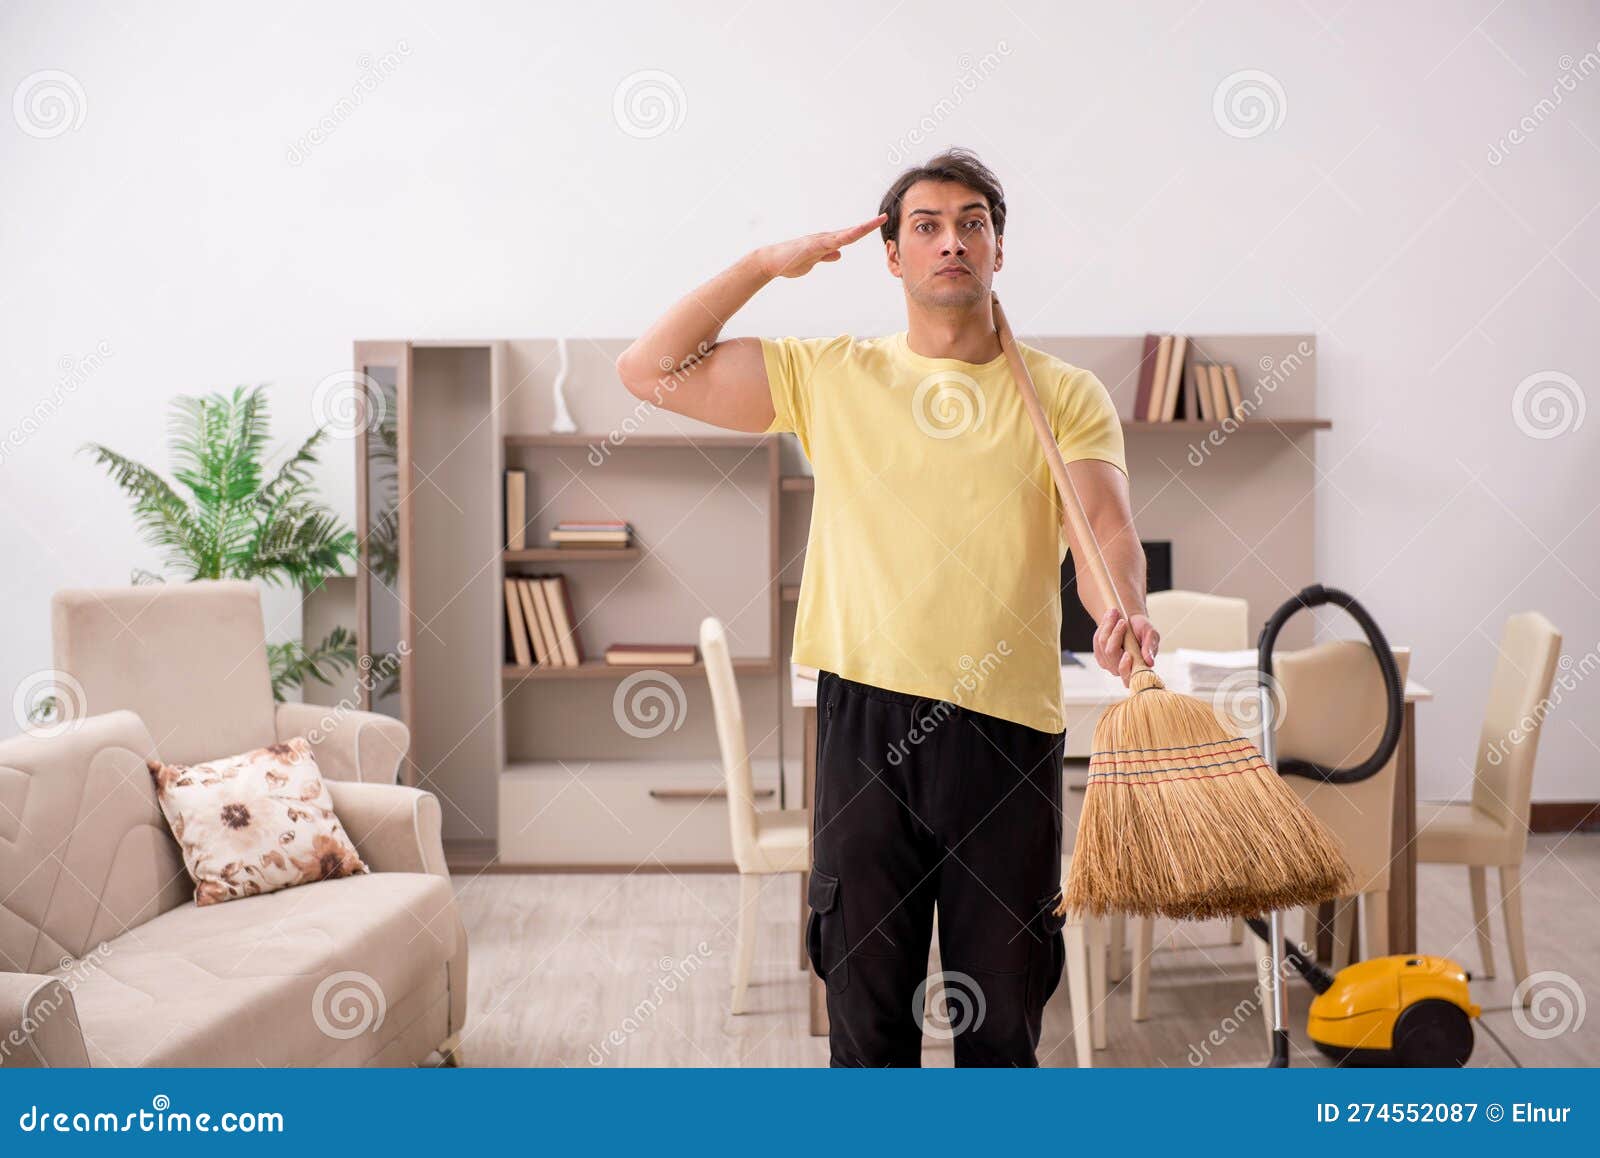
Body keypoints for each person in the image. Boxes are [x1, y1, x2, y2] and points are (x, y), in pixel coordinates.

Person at [617, 148, 1159, 1067]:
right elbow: (649, 368)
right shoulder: (833, 376)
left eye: (973, 224)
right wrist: (762, 265)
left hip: (1009, 739)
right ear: (894, 256)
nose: (953, 241)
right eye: (928, 225)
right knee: (869, 1029)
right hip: (866, 726)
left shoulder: (1062, 393)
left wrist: (1123, 610)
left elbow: (1101, 529)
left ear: (998, 251)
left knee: (1003, 1030)